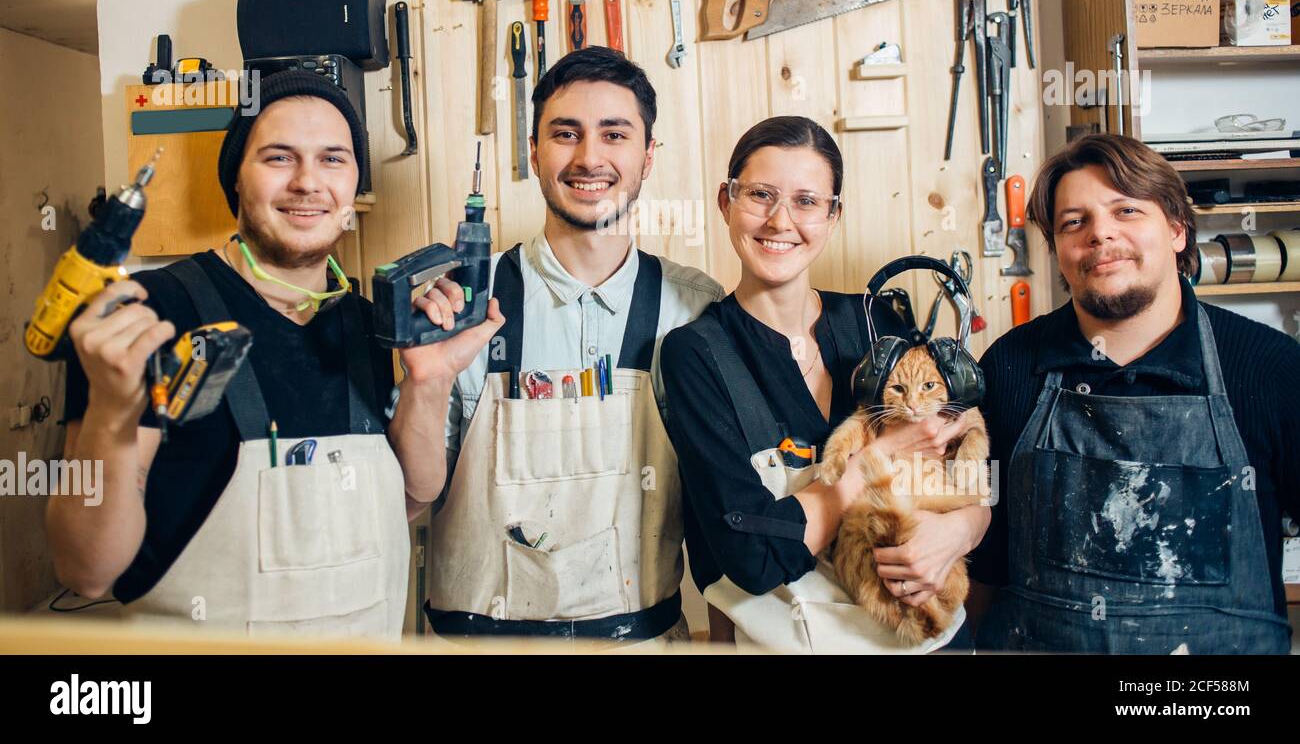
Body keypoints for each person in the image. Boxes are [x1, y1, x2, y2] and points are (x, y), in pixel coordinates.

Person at [47, 71, 496, 637]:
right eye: (279, 158)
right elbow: (84, 570)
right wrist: (112, 417)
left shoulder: (365, 322)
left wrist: (428, 383)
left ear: (355, 183)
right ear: (235, 176)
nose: (308, 182)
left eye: (333, 159)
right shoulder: (149, 316)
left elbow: (410, 496)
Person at [420, 46, 723, 644]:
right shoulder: (461, 307)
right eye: (566, 133)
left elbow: (720, 508)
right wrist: (424, 381)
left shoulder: (695, 309)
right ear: (534, 152)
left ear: (648, 156)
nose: (590, 157)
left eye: (614, 134)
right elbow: (411, 495)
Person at [660, 116, 989, 653]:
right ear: (726, 202)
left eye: (808, 201)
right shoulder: (698, 354)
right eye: (760, 195)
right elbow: (754, 559)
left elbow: (973, 465)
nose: (780, 220)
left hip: (934, 641)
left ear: (834, 216)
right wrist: (872, 462)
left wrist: (964, 529)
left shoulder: (882, 323)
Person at [971, 133, 1298, 653]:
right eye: (1074, 222)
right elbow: (984, 564)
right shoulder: (1010, 367)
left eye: (1125, 210)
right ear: (1058, 251)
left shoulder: (1268, 369)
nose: (1100, 234)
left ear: (1176, 229)